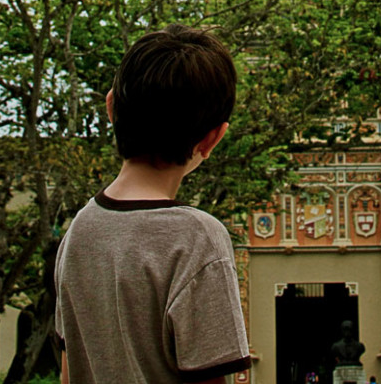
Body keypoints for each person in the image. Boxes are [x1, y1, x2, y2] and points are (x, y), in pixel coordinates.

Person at [55, 24, 251, 384]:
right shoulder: (198, 239)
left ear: (111, 107)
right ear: (213, 138)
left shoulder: (80, 230)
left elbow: (69, 373)